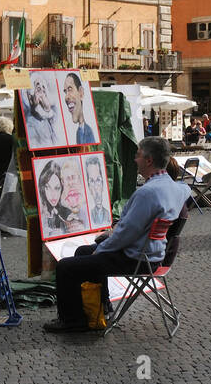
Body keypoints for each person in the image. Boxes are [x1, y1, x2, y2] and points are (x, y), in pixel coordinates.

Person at [44, 137, 191, 334]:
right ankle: (101, 307)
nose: (134, 160)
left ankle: (72, 320)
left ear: (148, 161)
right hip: (153, 254)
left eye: (137, 155)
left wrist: (102, 248)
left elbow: (125, 234)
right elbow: (186, 189)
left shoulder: (147, 193)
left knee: (65, 267)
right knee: (81, 251)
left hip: (136, 258)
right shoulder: (176, 188)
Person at [21, 77, 64, 148]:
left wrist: (47, 108)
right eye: (38, 88)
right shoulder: (30, 122)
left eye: (43, 87)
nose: (42, 90)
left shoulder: (52, 115)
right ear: (30, 97)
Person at [62, 72, 96, 145]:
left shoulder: (89, 131)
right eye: (65, 92)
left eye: (70, 89)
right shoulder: (78, 131)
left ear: (80, 92)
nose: (66, 97)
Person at [84, 156, 111, 228]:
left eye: (98, 180)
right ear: (88, 186)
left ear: (103, 182)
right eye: (92, 181)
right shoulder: (88, 215)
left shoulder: (108, 214)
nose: (96, 188)